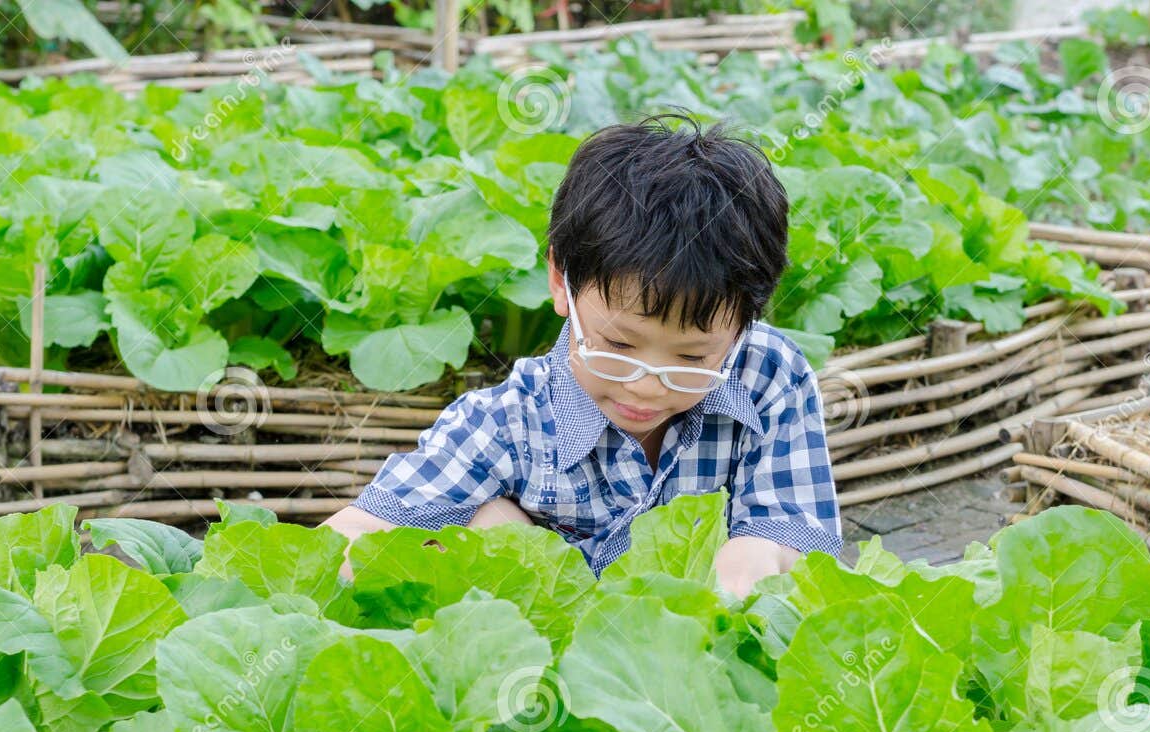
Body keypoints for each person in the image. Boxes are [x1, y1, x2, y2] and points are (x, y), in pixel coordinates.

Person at [323, 114, 842, 598]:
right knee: (487, 526)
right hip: (543, 660)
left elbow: (802, 532)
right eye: (618, 346)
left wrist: (757, 554)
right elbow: (360, 531)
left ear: (745, 322)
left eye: (691, 357)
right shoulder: (507, 424)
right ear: (559, 282)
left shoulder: (769, 374)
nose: (645, 386)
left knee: (752, 553)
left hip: (699, 650)